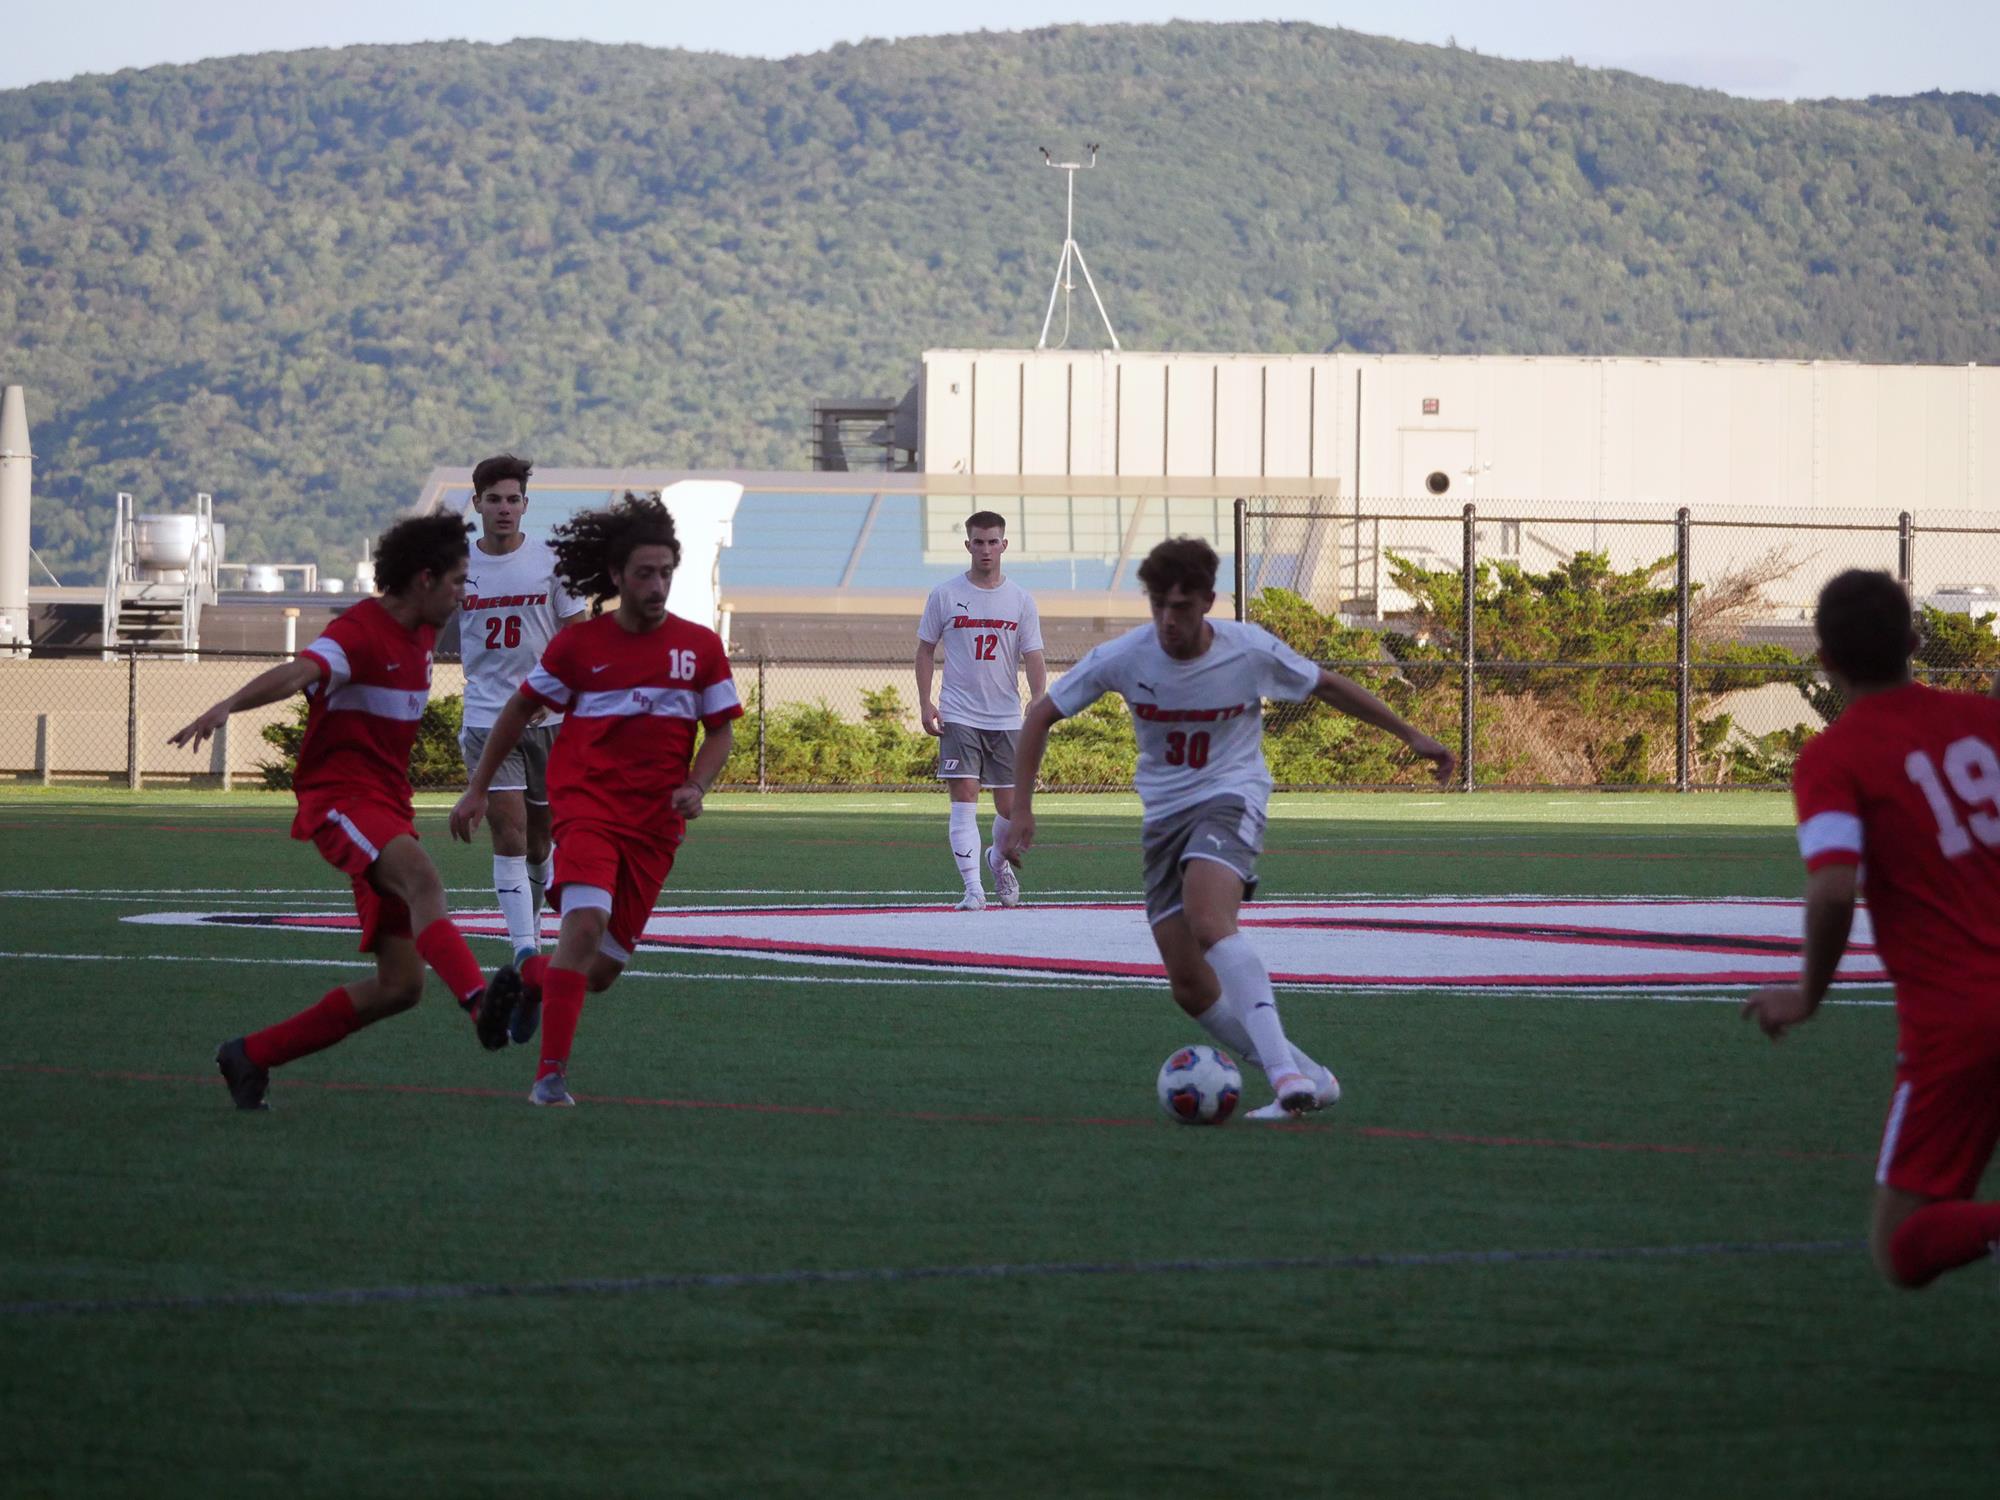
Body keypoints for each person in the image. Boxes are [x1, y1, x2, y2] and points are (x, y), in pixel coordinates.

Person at [1001, 536, 1455, 1118]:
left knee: (1210, 919)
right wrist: (1022, 809)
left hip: (1230, 798)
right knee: (1190, 987)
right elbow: (1041, 713)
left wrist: (1409, 734)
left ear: (1209, 602)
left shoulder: (1247, 650)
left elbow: (1328, 685)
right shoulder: (1126, 657)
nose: (1168, 620)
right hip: (1164, 818)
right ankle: (1313, 1076)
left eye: (1182, 607)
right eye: (1158, 605)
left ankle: (1285, 1076)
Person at [170, 513, 520, 1110]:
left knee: (401, 986)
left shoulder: (423, 633)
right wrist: (230, 703)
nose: (468, 594)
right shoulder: (360, 631)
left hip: (387, 805)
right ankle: (481, 1006)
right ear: (425, 578)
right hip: (341, 801)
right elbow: (301, 670)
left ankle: (250, 1055)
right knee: (424, 879)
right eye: (461, 581)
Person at [1743, 569, 2000, 1288]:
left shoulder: (1836, 756)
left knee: (1903, 1246)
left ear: (1823, 661)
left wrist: (1806, 995)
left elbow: (1831, 891)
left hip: (1964, 1020)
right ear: (1915, 641)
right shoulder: (1987, 722)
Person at [450, 493, 741, 1107]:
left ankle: (530, 981)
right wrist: (477, 788)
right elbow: (521, 707)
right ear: (616, 575)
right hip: (586, 810)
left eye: (665, 572)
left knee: (599, 972)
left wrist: (696, 784)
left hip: (655, 827)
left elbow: (721, 730)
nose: (657, 584)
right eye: (644, 573)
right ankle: (549, 1077)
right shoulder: (581, 647)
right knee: (583, 927)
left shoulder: (700, 648)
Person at [455, 453, 586, 1031]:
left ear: (525, 506)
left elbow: (579, 632)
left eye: (513, 499)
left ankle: (540, 936)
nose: (503, 508)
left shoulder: (553, 562)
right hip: (488, 719)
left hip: (549, 720)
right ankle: (526, 952)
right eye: (493, 499)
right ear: (477, 503)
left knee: (541, 840)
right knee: (507, 833)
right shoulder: (458, 568)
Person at [916, 510, 1047, 910]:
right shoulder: (944, 594)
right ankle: (973, 889)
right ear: (967, 545)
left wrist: (1038, 697)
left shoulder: (1020, 599)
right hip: (959, 714)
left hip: (1005, 717)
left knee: (1010, 807)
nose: (986, 549)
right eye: (978, 541)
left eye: (993, 542)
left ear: (1004, 545)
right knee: (965, 797)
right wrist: (926, 700)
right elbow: (925, 650)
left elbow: (1034, 655)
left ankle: (997, 859)